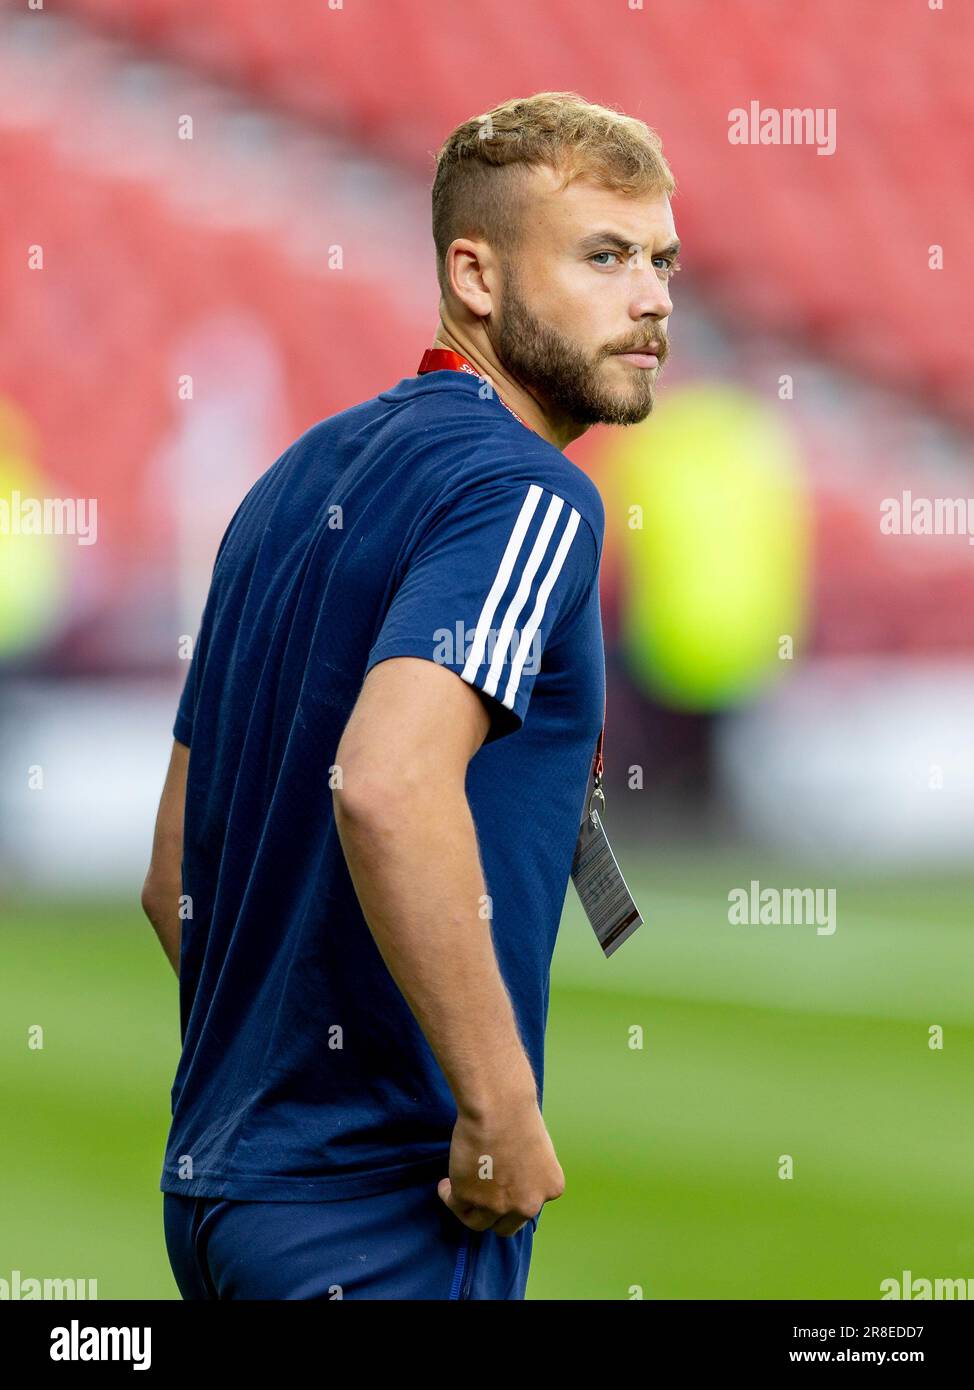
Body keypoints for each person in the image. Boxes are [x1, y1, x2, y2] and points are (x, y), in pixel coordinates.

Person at [142, 90, 678, 1301]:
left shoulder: (289, 481)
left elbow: (173, 864)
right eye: (601, 256)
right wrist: (492, 1102)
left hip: (228, 1199)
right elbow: (384, 782)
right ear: (473, 276)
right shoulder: (529, 495)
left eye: (659, 260)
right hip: (380, 1208)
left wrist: (287, 1072)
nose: (649, 297)